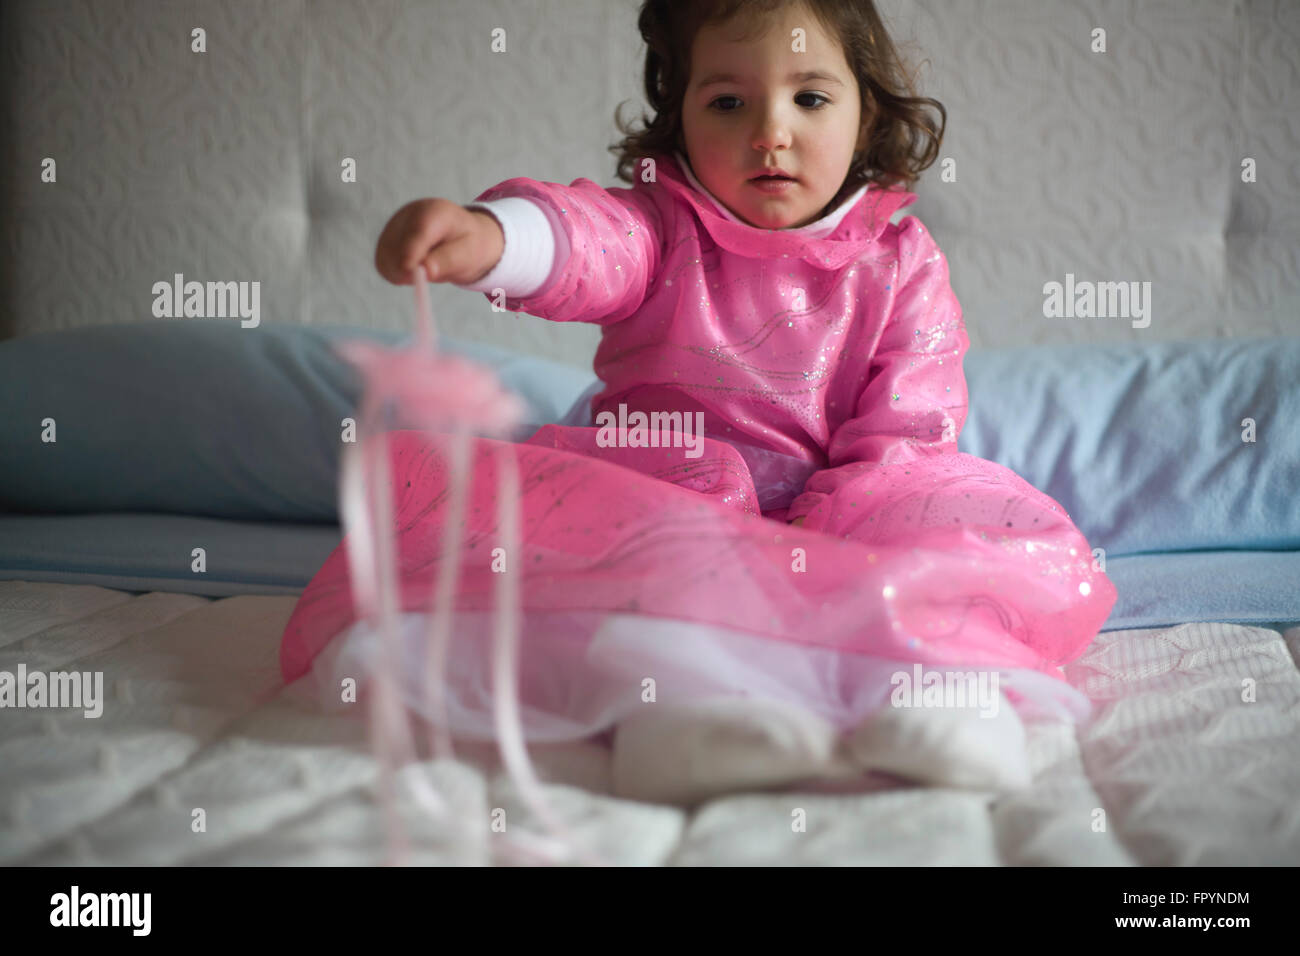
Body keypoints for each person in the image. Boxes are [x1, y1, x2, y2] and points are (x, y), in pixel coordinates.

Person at [281, 0, 1116, 805]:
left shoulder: (900, 259)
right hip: (674, 497)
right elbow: (590, 242)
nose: (771, 131)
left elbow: (907, 422)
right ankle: (681, 715)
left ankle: (943, 698)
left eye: (811, 96)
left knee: (936, 537)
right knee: (640, 571)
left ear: (866, 116)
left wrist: (821, 534)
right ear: (677, 118)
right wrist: (496, 240)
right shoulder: (660, 231)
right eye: (727, 100)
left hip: (858, 502)